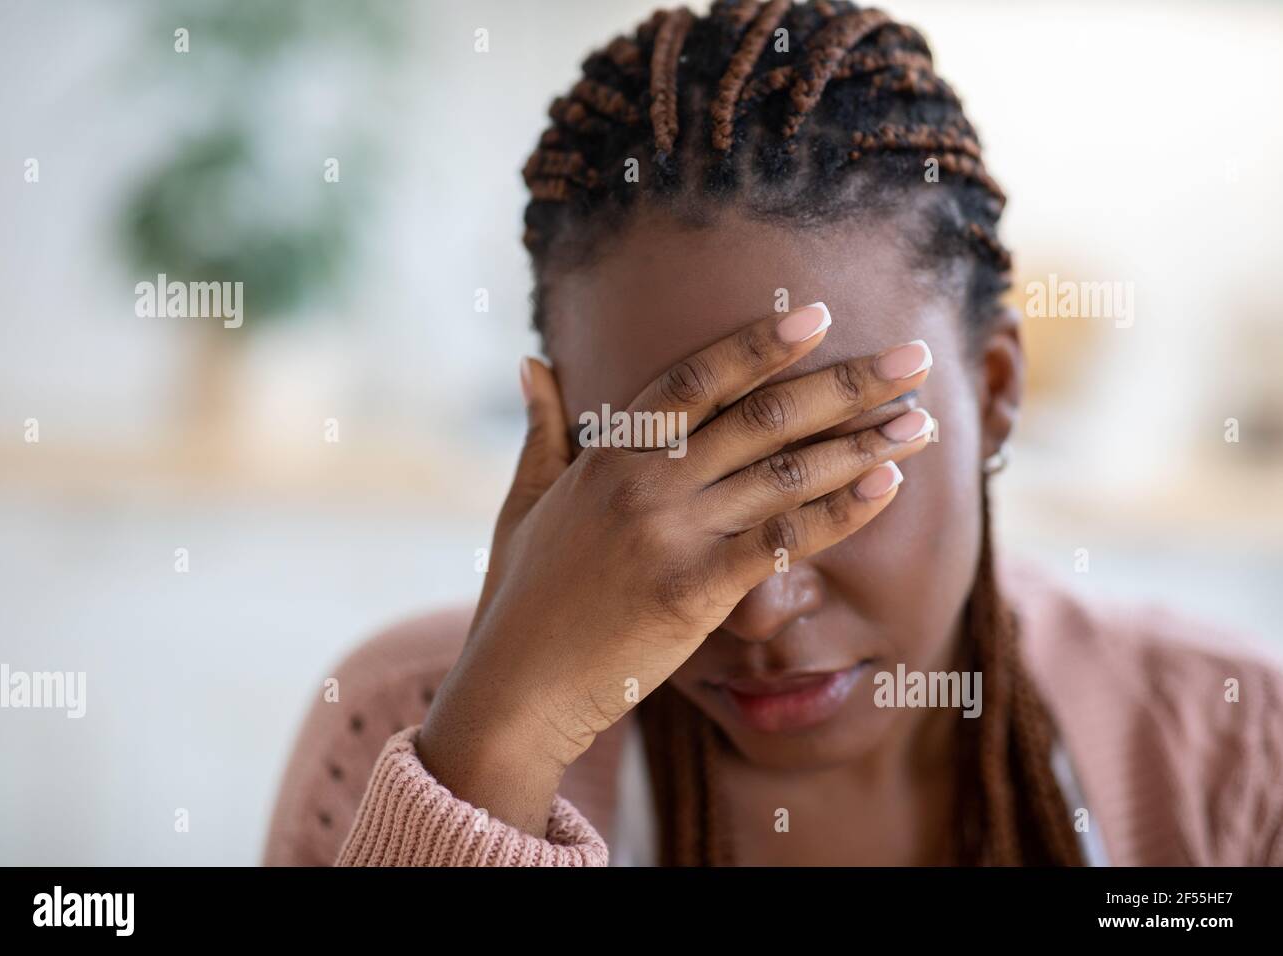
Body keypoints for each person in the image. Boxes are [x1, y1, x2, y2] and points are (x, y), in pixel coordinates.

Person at [264, 0, 1283, 867]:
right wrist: (492, 756)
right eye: (668, 483)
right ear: (562, 453)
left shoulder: (1229, 749)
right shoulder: (400, 725)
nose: (757, 607)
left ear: (999, 392)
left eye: (839, 465)